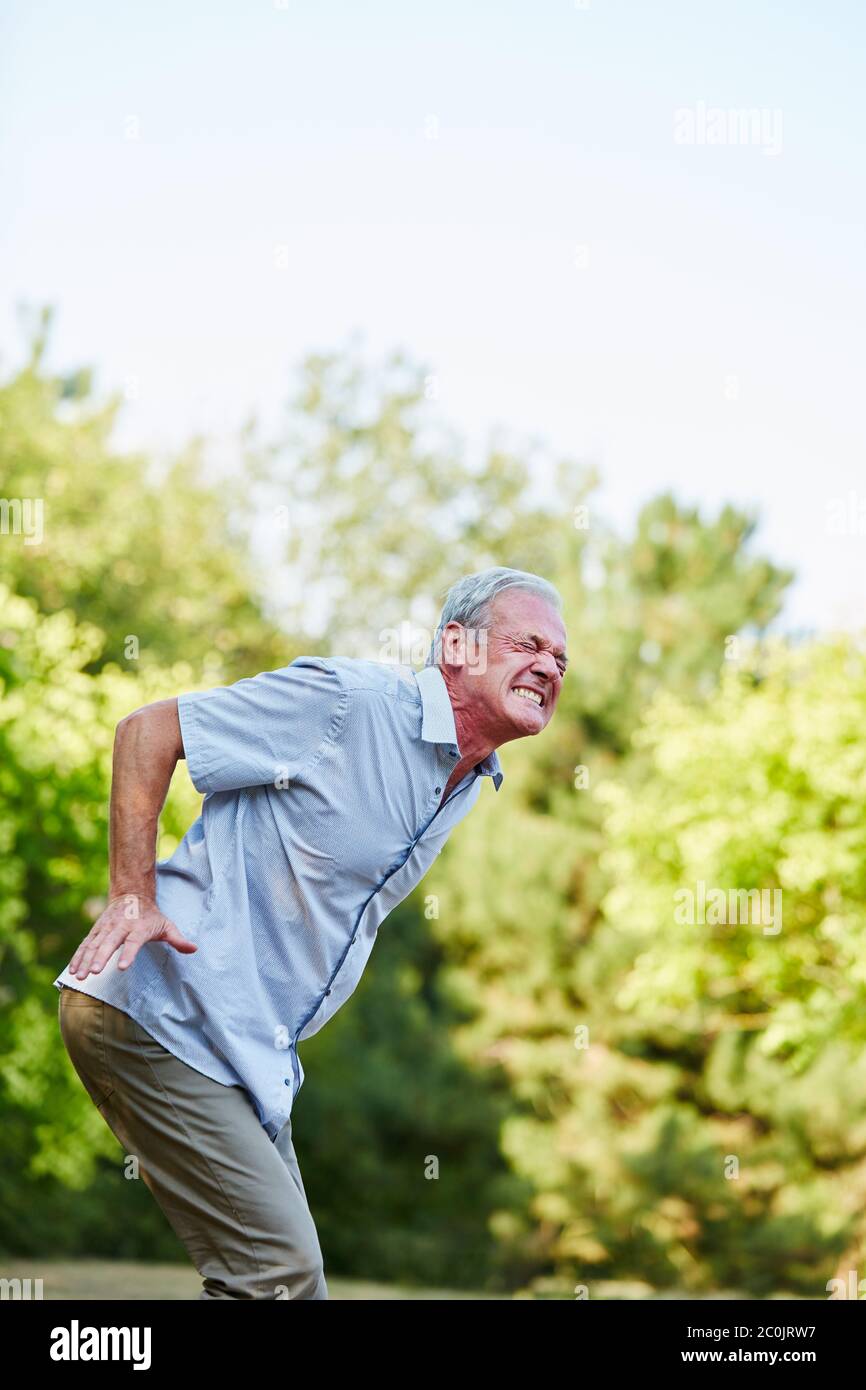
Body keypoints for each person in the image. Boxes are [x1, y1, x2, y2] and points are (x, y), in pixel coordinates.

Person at [55, 566, 568, 1299]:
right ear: (457, 645)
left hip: (246, 1054)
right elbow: (148, 730)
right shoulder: (349, 705)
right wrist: (132, 896)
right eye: (528, 643)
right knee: (278, 1276)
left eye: (560, 659)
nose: (548, 666)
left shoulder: (467, 779)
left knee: (292, 1290)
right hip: (158, 1013)